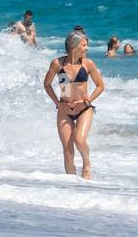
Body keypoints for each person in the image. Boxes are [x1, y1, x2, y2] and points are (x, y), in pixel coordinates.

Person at [42, 31, 105, 178]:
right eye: (84, 45)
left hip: (83, 108)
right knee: (68, 151)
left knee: (79, 140)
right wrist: (58, 103)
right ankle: (72, 183)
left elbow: (100, 86)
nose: (87, 48)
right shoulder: (58, 64)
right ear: (74, 46)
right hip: (65, 109)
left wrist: (89, 100)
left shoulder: (88, 63)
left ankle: (87, 164)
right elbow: (47, 85)